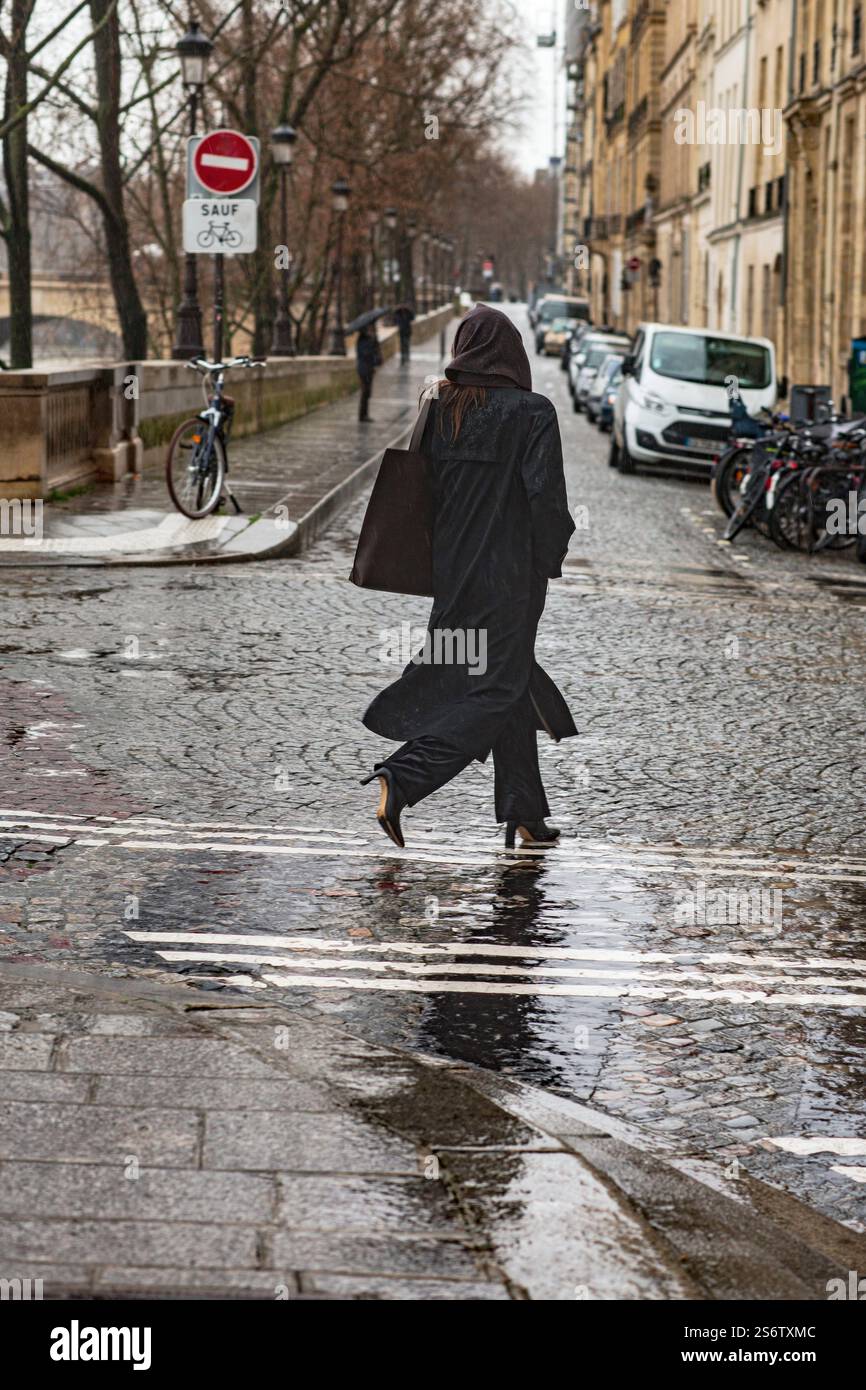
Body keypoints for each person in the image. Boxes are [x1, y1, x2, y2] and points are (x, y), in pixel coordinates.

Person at [360, 304, 577, 849]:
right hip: (511, 581)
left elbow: (421, 497)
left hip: (454, 577)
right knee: (495, 691)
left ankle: (524, 811)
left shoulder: (441, 408)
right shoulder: (533, 413)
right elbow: (546, 500)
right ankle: (404, 776)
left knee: (506, 682)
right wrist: (550, 556)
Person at [355, 324, 382, 422]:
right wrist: (373, 343)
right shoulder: (362, 341)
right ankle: (362, 415)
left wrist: (375, 343)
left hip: (368, 369)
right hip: (364, 370)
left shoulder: (369, 340)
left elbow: (377, 358)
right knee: (365, 392)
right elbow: (366, 354)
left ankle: (364, 414)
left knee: (367, 392)